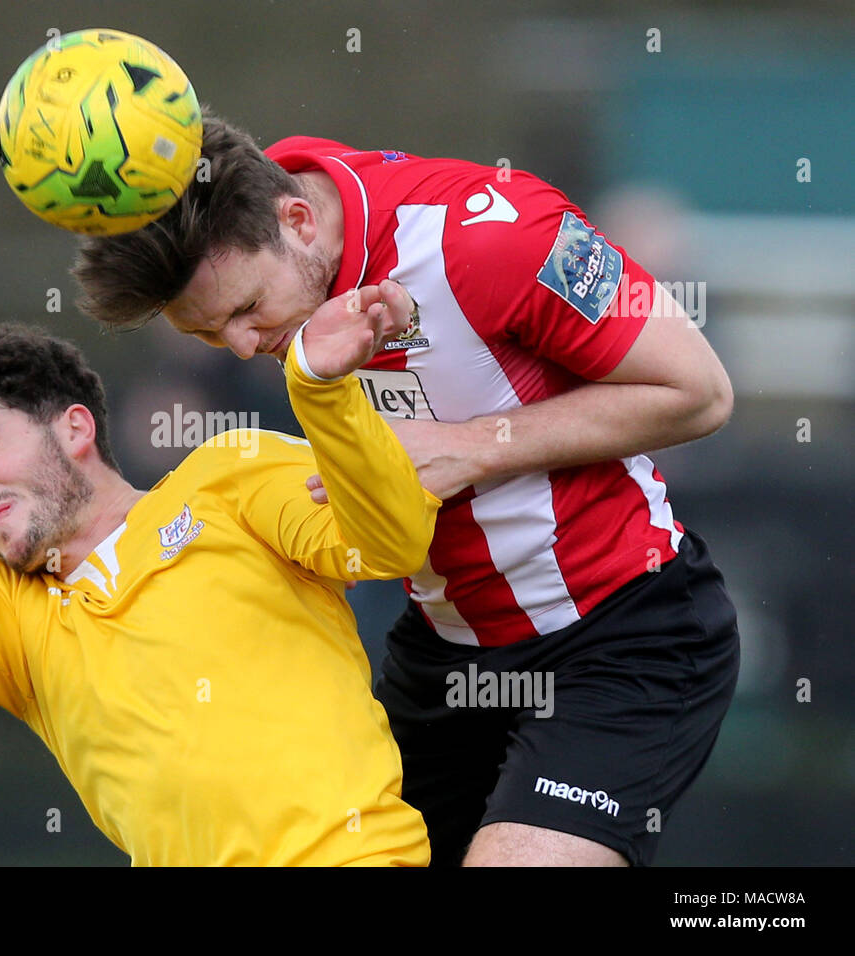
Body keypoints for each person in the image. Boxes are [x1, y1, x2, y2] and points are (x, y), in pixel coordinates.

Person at [70, 113, 741, 867]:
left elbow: (701, 392)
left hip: (621, 633)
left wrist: (470, 448)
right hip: (444, 657)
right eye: (208, 334)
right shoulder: (272, 246)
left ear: (298, 220)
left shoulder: (488, 233)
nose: (243, 346)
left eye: (247, 311)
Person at [0, 218, 443, 866]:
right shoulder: (12, 622)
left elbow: (392, 541)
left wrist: (323, 390)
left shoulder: (230, 477)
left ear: (74, 429)